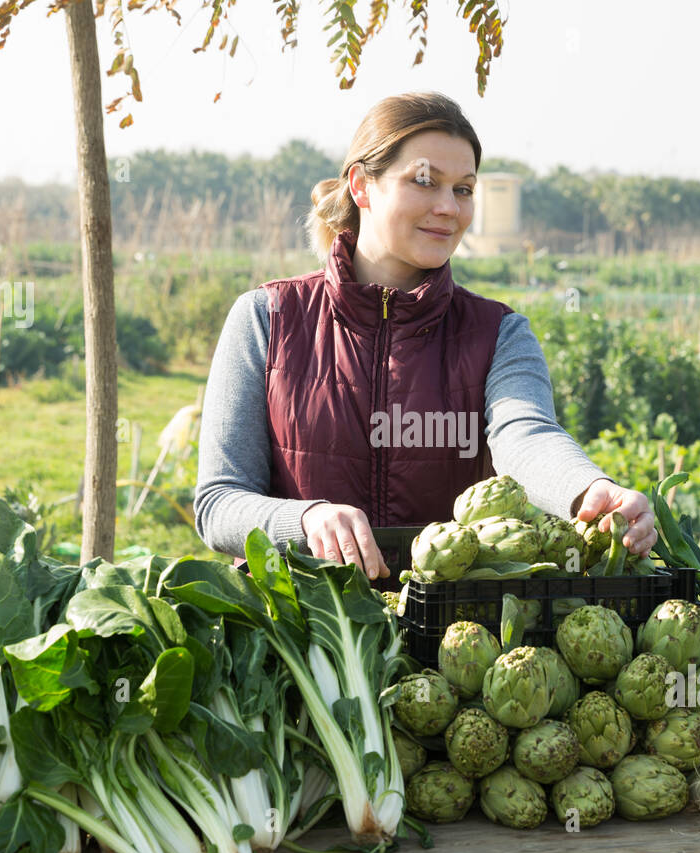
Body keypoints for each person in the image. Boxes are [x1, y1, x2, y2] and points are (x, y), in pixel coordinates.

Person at [194, 91, 657, 578]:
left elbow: (525, 435)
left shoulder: (499, 333)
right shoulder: (267, 318)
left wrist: (586, 489)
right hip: (299, 632)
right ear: (361, 186)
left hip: (448, 640)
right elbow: (218, 502)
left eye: (463, 189)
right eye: (424, 181)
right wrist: (304, 520)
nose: (448, 208)